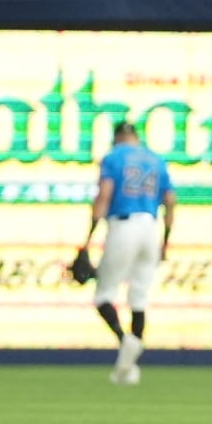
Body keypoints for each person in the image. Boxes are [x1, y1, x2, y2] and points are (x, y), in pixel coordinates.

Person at [83, 122, 174, 386]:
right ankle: (128, 367)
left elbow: (105, 194)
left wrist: (88, 239)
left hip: (123, 226)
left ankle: (126, 343)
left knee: (104, 295)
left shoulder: (113, 157)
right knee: (139, 297)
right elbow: (170, 201)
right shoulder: (156, 160)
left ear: (117, 138)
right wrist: (165, 241)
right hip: (150, 227)